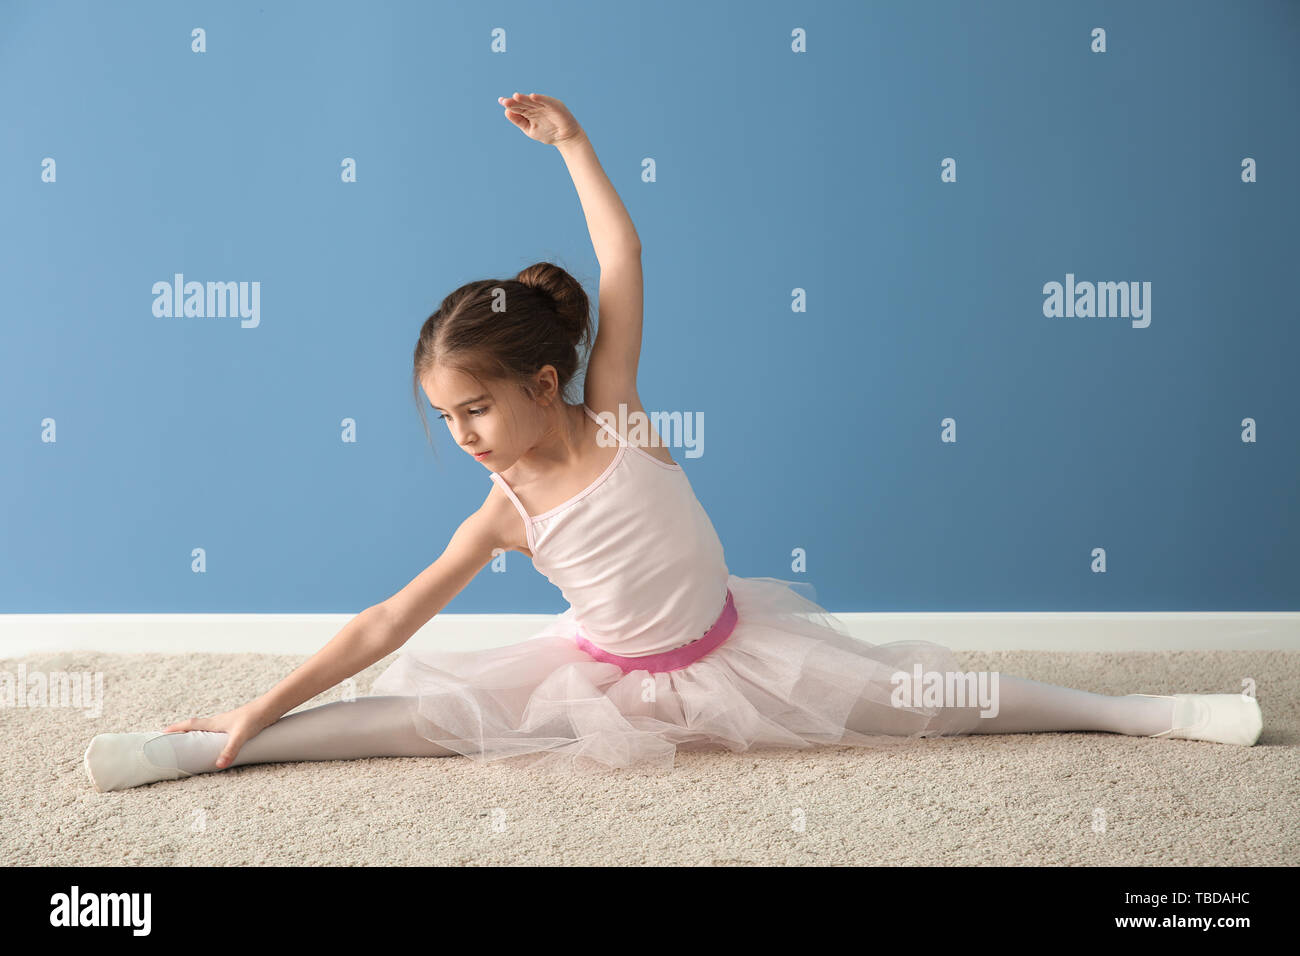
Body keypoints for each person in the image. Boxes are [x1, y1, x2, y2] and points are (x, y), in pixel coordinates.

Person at [83, 93, 1262, 792]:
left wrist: (572, 146)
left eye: (479, 410)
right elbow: (386, 623)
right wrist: (260, 702)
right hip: (602, 680)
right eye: (445, 421)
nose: (464, 437)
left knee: (943, 691)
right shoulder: (507, 511)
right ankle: (227, 744)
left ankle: (1146, 710)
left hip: (742, 649)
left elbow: (623, 263)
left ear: (548, 382)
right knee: (407, 722)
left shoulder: (618, 407)